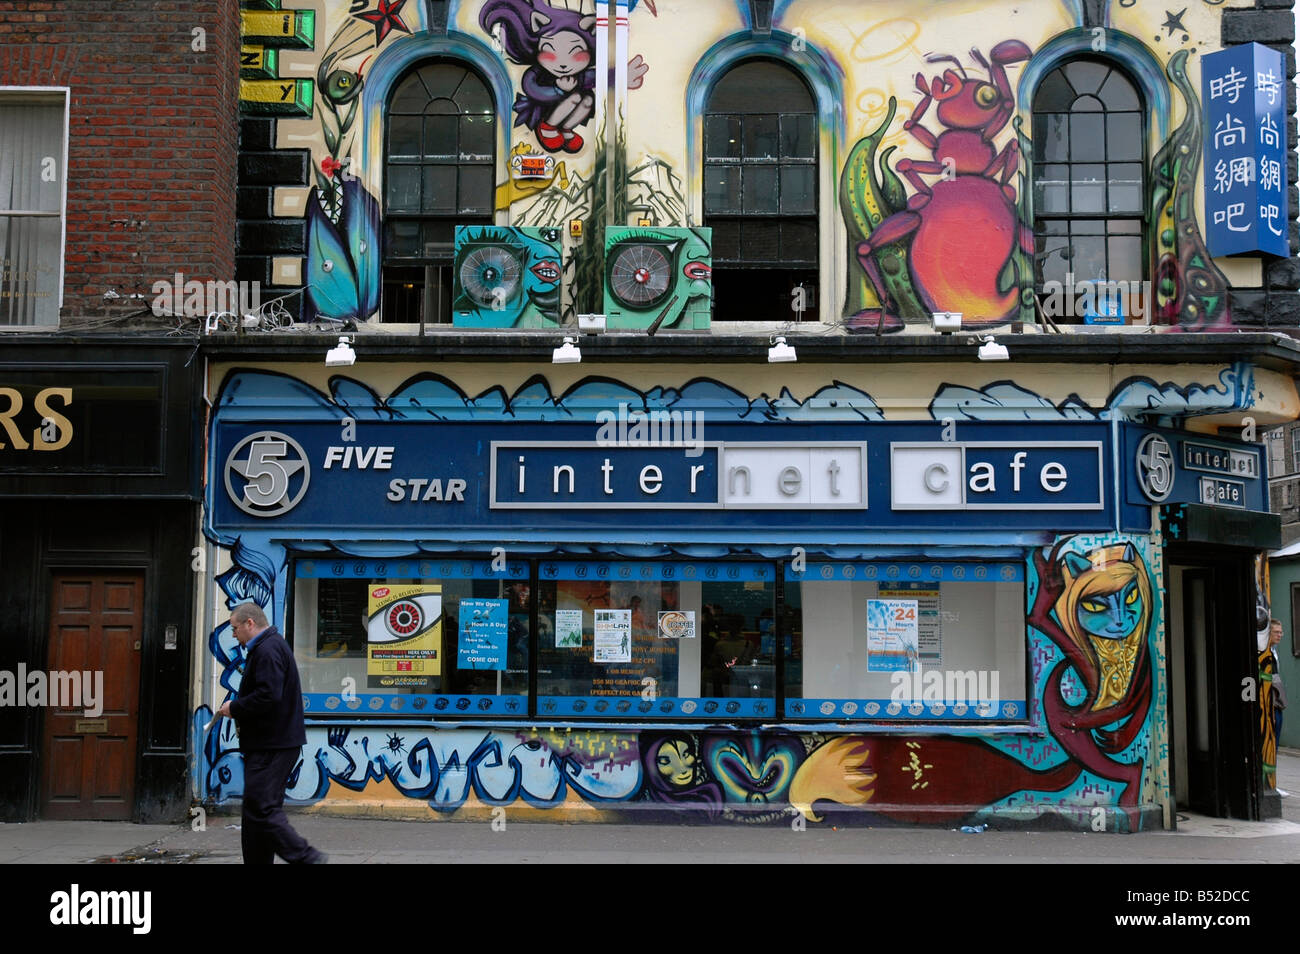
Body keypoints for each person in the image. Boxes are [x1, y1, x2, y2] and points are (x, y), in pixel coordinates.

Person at [216, 603, 326, 864]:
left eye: (235, 628)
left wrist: (235, 707)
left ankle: (306, 858)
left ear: (249, 623)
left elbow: (268, 696)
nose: (233, 635)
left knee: (262, 807)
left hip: (272, 743)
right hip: (270, 742)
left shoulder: (267, 649)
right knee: (256, 809)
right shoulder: (268, 646)